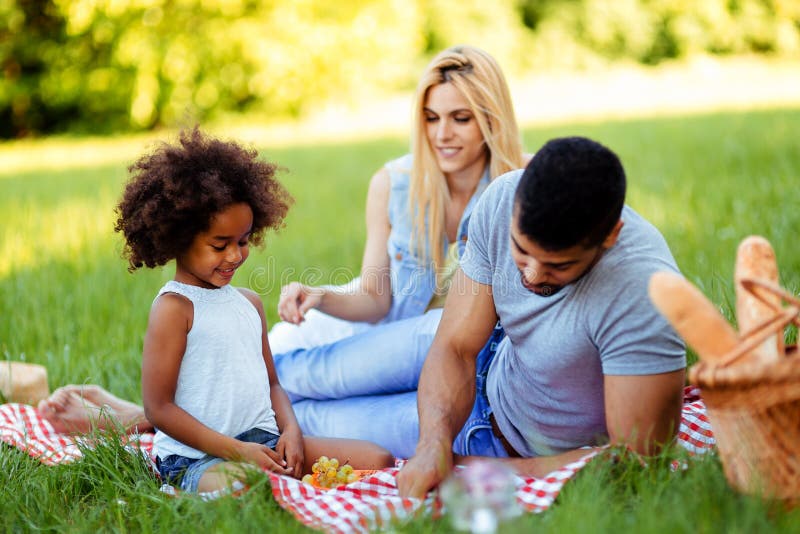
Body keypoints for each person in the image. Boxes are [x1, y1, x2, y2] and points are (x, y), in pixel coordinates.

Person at [269, 45, 529, 458]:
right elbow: (375, 299)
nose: (441, 134)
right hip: (372, 337)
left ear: (491, 118)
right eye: (431, 118)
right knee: (265, 377)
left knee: (301, 416)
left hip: (448, 357)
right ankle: (154, 416)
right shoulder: (394, 183)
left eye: (461, 119)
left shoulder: (524, 185)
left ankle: (162, 418)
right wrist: (322, 296)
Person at [396, 136, 687, 498]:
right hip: (490, 363)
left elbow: (637, 466)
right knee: (320, 375)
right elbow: (455, 347)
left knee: (325, 424)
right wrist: (431, 445)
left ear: (610, 235)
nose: (532, 276)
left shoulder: (645, 293)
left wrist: (470, 467)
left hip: (503, 446)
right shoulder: (504, 198)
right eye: (521, 250)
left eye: (558, 265)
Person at [108, 128, 392, 494]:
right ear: (178, 237)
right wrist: (238, 451)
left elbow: (272, 383)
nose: (234, 255)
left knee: (378, 460)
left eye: (243, 241)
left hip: (264, 442)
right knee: (257, 487)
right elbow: (158, 408)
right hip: (198, 458)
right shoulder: (174, 308)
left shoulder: (249, 304)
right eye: (219, 244)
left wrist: (291, 431)